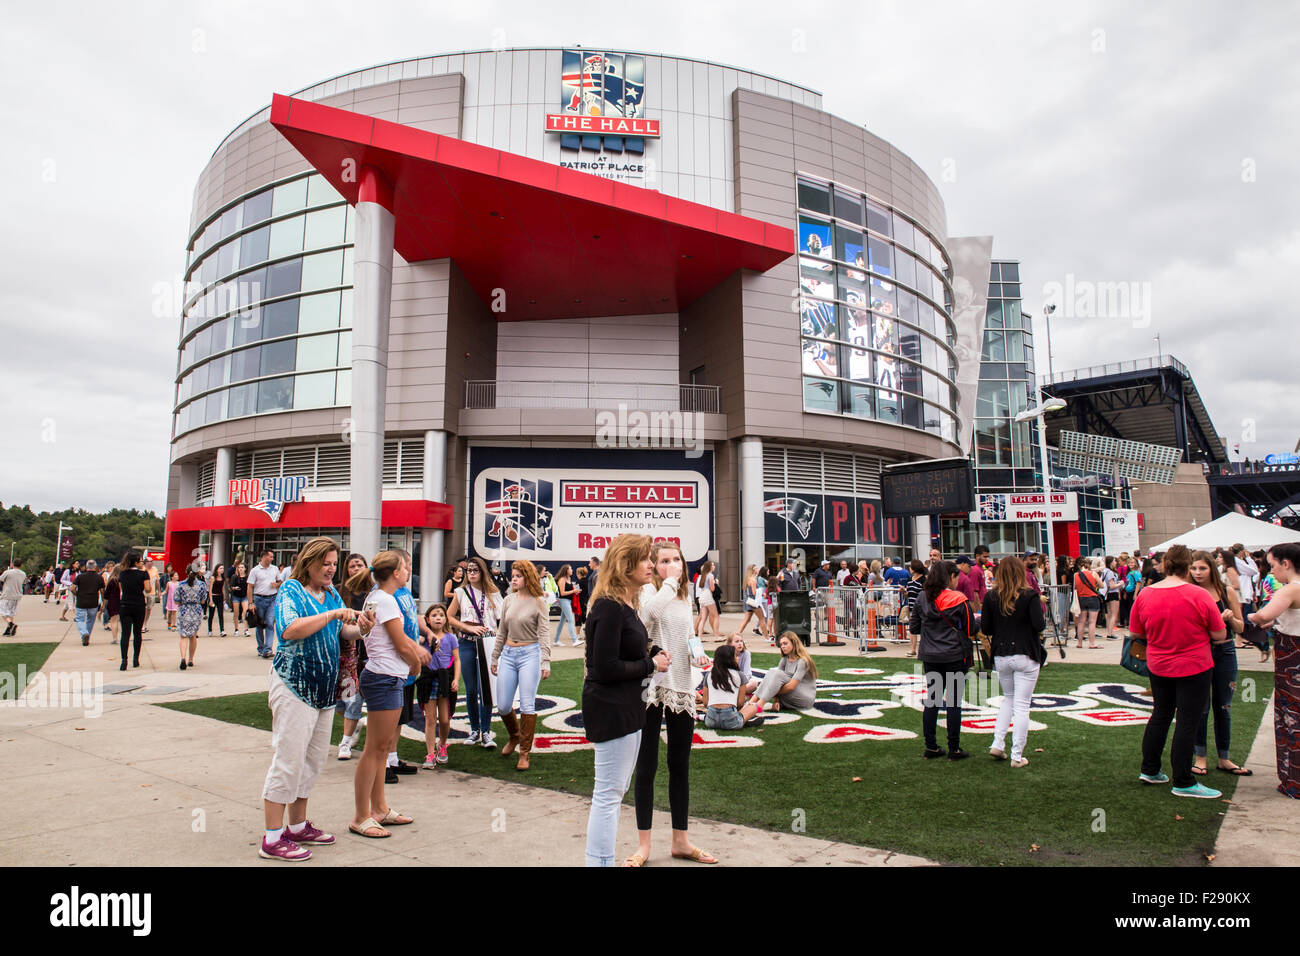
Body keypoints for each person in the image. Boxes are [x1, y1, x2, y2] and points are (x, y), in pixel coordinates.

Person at [258, 537, 371, 860]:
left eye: (334, 564)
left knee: (313, 760)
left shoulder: (331, 593)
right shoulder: (291, 590)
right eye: (326, 563)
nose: (331, 569)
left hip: (323, 690)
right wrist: (334, 614)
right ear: (309, 562)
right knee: (289, 758)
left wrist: (361, 628)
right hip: (294, 685)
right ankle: (272, 837)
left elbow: (341, 632)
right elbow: (289, 629)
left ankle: (296, 826)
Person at [582, 534, 669, 867]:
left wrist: (652, 653)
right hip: (611, 709)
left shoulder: (624, 603)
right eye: (646, 559)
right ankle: (599, 862)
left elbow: (626, 650)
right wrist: (651, 664)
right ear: (625, 565)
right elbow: (603, 668)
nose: (652, 565)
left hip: (628, 707)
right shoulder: (609, 606)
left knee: (613, 794)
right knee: (608, 796)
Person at [629, 540, 715, 867]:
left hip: (681, 682)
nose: (672, 565)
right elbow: (646, 618)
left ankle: (681, 840)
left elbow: (687, 632)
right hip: (650, 685)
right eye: (663, 560)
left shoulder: (684, 593)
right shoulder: (650, 591)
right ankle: (644, 845)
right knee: (647, 766)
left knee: (679, 765)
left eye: (675, 559)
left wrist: (698, 650)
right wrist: (667, 581)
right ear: (654, 565)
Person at [1128, 544, 1228, 799]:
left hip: (1159, 664)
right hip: (1193, 665)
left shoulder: (1146, 594)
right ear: (1187, 566)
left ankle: (1150, 769)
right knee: (1187, 721)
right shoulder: (1199, 595)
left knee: (1161, 714)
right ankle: (1183, 780)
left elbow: (1135, 633)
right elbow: (1220, 634)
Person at [345, 550, 430, 840]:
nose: (408, 571)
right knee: (374, 749)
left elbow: (401, 638)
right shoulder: (385, 599)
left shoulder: (378, 598)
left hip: (387, 677)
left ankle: (379, 808)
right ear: (395, 573)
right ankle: (360, 816)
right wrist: (417, 663)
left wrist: (414, 654)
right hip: (383, 678)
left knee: (381, 749)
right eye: (405, 567)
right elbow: (401, 643)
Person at [1188, 550, 1249, 777]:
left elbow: (1242, 627)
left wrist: (1229, 618)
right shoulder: (1189, 592)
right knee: (1201, 708)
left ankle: (1224, 757)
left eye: (1202, 568)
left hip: (1225, 650)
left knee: (1224, 707)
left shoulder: (1226, 591)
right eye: (1193, 568)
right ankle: (1200, 757)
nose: (1197, 573)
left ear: (1211, 568)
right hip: (1199, 652)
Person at [981, 556, 1045, 768]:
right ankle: (1017, 755)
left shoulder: (991, 597)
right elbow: (1039, 624)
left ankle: (998, 743)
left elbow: (987, 628)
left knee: (1008, 699)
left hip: (1001, 654)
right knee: (1021, 705)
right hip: (1025, 652)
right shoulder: (1029, 595)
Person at [1247, 542, 1300, 799]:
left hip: (1293, 662)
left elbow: (1261, 616)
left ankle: (1295, 780)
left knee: (1292, 718)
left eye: (1273, 565)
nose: (1272, 572)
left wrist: (1248, 618)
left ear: (1286, 563)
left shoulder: (1290, 589)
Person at [910, 560, 975, 761]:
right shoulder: (958, 599)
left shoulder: (922, 597)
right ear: (951, 577)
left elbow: (914, 627)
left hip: (930, 654)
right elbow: (971, 628)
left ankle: (931, 746)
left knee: (933, 699)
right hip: (955, 654)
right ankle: (954, 748)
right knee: (954, 701)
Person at [490, 559, 552, 772]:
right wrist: (495, 657)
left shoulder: (538, 601)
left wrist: (546, 660)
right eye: (513, 576)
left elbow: (544, 633)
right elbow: (501, 631)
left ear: (528, 577)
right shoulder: (508, 600)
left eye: (518, 576)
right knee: (504, 705)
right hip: (508, 653)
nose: (514, 579)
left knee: (527, 704)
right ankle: (515, 735)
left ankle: (524, 752)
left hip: (530, 654)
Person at [446, 556, 501, 749]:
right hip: (467, 643)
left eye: (475, 570)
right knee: (470, 689)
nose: (471, 573)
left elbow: (501, 618)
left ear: (482, 572)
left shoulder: (493, 593)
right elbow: (449, 617)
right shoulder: (461, 592)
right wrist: (466, 627)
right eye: (469, 570)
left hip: (487, 643)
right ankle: (475, 729)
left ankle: (486, 730)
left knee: (484, 688)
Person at [335, 552, 370, 761]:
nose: (356, 569)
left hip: (365, 654)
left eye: (359, 565)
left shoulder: (372, 593)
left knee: (354, 699)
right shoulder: (340, 593)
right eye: (352, 566)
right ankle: (355, 723)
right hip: (344, 653)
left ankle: (345, 742)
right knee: (340, 703)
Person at [738, 631, 818, 721]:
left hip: (804, 700)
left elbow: (791, 686)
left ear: (794, 643)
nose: (783, 646)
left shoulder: (803, 661)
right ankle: (751, 703)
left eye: (785, 643)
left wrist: (770, 692)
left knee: (777, 674)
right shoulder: (785, 659)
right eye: (781, 644)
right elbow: (775, 680)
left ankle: (759, 704)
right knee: (772, 672)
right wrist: (776, 700)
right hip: (790, 698)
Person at [418, 604, 459, 768]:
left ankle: (442, 745)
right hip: (428, 680)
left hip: (444, 680)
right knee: (430, 719)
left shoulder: (451, 638)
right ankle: (429, 753)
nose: (438, 618)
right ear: (428, 619)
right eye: (434, 615)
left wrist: (455, 679)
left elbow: (456, 660)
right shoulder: (423, 639)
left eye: (441, 615)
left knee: (444, 719)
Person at [703, 644, 753, 733]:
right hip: (731, 719)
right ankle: (744, 720)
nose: (738, 658)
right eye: (736, 656)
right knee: (753, 707)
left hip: (710, 721)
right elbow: (740, 703)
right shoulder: (740, 675)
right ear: (729, 659)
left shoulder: (708, 675)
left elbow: (706, 702)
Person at [116, 553, 153, 670]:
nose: (142, 563)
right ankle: (136, 659)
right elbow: (147, 589)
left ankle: (124, 660)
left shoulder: (122, 574)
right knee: (137, 633)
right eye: (141, 561)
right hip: (138, 604)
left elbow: (121, 589)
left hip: (125, 604)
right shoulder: (143, 574)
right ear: (136, 563)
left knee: (125, 634)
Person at [248, 550, 281, 658]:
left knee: (270, 623)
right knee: (260, 624)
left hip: (272, 599)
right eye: (270, 556)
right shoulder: (255, 570)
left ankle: (268, 649)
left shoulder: (275, 569)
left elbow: (280, 582)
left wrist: (276, 584)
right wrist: (250, 603)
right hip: (259, 599)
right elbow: (250, 586)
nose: (272, 559)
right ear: (264, 557)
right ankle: (261, 648)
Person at [175, 568, 208, 670]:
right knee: (193, 636)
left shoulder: (180, 585)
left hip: (184, 611)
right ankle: (191, 659)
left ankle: (183, 657)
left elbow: (176, 600)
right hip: (196, 611)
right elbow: (203, 600)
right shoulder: (202, 585)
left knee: (183, 636)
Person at [73, 560, 105, 647]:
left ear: (87, 567)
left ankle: (84, 633)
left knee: (79, 619)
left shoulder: (80, 576)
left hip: (81, 601)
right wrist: (103, 604)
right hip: (93, 602)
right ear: (95, 567)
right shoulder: (99, 578)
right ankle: (87, 635)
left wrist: (77, 594)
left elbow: (72, 588)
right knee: (91, 620)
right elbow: (102, 591)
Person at [730, 564, 765, 641]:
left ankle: (736, 635)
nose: (757, 569)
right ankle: (767, 637)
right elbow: (754, 592)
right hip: (754, 602)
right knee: (762, 618)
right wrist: (761, 592)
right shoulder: (753, 580)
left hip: (748, 601)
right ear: (753, 570)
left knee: (746, 620)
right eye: (756, 568)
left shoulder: (747, 579)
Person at [1073, 557, 1102, 649]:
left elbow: (1075, 587)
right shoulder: (1093, 573)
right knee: (1092, 622)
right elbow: (1101, 585)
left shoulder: (1076, 575)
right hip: (1093, 598)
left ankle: (1079, 643)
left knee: (1081, 622)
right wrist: (1095, 585)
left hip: (1081, 598)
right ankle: (1092, 643)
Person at [553, 563, 582, 646]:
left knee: (562, 621)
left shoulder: (568, 578)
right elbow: (562, 593)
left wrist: (575, 591)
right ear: (566, 570)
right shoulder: (562, 579)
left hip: (569, 601)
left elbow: (570, 590)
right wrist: (573, 591)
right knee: (570, 619)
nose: (572, 570)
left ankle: (556, 640)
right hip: (564, 600)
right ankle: (574, 640)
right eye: (570, 569)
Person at [904, 559, 926, 657]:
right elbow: (909, 594)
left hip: (922, 608)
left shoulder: (923, 580)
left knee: (923, 629)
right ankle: (912, 649)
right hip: (912, 607)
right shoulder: (910, 580)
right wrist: (904, 592)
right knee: (912, 629)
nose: (909, 568)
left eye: (911, 567)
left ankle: (923, 648)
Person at [693, 559, 720, 637]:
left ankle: (700, 637)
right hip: (708, 595)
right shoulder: (711, 575)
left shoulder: (703, 575)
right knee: (716, 616)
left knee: (703, 618)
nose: (714, 566)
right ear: (709, 567)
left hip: (702, 595)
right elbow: (712, 588)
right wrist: (716, 583)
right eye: (712, 565)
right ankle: (716, 636)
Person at [0, 559, 25, 636]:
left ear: (13, 564)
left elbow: (1, 579)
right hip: (17, 595)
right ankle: (9, 630)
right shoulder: (23, 574)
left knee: (3, 611)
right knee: (11, 613)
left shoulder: (8, 572)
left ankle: (10, 624)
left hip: (7, 594)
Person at [1101, 556, 1121, 639]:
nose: (1115, 563)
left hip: (1106, 594)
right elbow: (1112, 586)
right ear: (1110, 562)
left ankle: (1109, 632)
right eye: (1114, 561)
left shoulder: (1104, 571)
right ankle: (1110, 633)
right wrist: (1121, 583)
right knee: (1114, 615)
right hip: (1113, 593)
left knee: (1108, 614)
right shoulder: (1110, 572)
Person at [103, 562, 122, 647]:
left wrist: (104, 604)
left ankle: (115, 638)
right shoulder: (123, 580)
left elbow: (106, 594)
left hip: (112, 602)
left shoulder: (112, 581)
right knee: (121, 621)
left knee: (113, 621)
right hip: (122, 601)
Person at [206, 564, 227, 636]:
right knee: (211, 614)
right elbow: (210, 589)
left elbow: (223, 589)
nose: (222, 570)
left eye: (223, 568)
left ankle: (222, 630)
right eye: (220, 568)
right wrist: (211, 600)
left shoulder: (223, 578)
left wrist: (224, 599)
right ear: (217, 569)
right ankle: (210, 630)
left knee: (221, 614)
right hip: (213, 597)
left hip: (220, 597)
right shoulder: (213, 578)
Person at [228, 561, 249, 636]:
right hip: (236, 596)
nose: (240, 569)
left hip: (244, 596)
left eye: (242, 567)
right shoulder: (234, 576)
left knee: (245, 612)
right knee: (236, 613)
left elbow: (249, 587)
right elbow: (231, 586)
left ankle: (246, 629)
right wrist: (234, 588)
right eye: (239, 567)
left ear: (245, 569)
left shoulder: (247, 577)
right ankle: (236, 629)